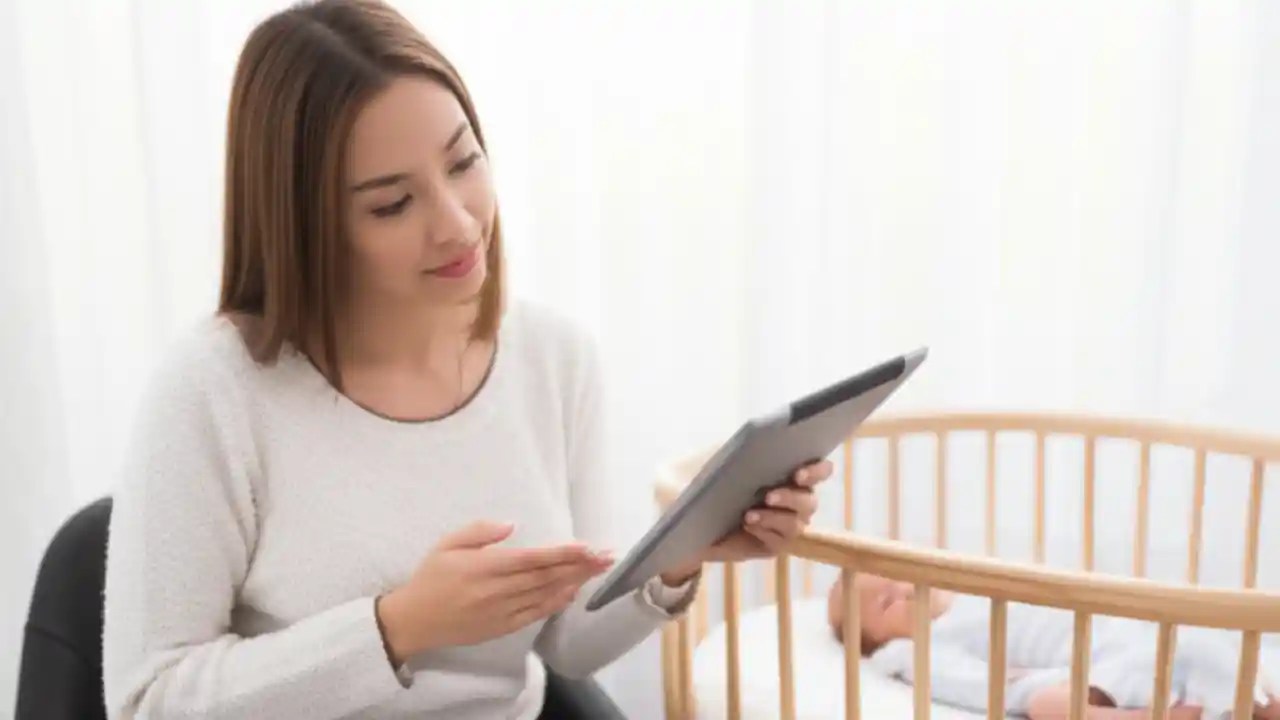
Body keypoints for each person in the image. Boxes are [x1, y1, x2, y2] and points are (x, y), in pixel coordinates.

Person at [100, 2, 835, 718]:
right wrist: (399, 626)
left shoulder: (554, 360)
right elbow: (150, 699)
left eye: (463, 162)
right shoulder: (214, 392)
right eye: (392, 204)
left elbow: (570, 643)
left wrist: (682, 557)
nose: (457, 225)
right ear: (305, 226)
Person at [828, 576, 1279, 719]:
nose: (902, 590)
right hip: (1078, 671)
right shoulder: (918, 648)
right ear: (876, 643)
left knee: (1206, 650)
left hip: (1120, 638)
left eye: (897, 579)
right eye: (884, 603)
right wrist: (1028, 686)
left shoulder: (971, 585)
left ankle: (1256, 705)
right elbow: (973, 684)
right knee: (1050, 704)